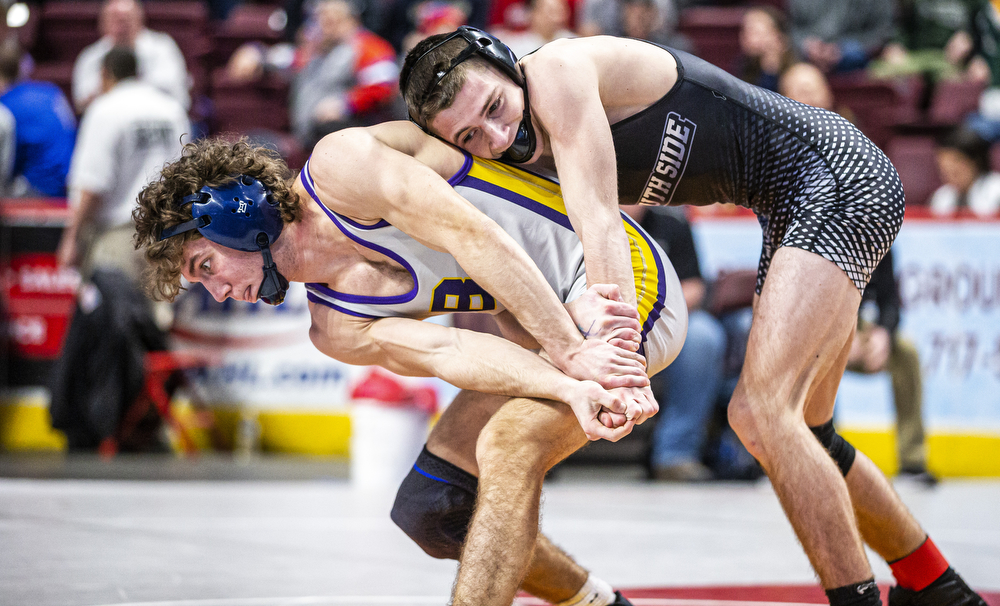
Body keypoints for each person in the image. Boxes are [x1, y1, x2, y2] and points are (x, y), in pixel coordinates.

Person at [400, 27, 988, 606]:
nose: (498, 136)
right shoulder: (516, 149)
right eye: (471, 135)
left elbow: (600, 221)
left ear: (507, 65)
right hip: (788, 201)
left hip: (832, 172)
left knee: (761, 414)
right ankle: (939, 587)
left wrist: (620, 360)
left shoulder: (557, 73)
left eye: (496, 108)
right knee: (804, 431)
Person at [134, 123, 687, 606]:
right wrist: (567, 385)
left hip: (614, 279)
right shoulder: (334, 328)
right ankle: (597, 602)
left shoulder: (340, 171)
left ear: (236, 213)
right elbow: (451, 352)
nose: (220, 292)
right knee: (433, 509)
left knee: (507, 446)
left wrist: (569, 355)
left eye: (206, 265)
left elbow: (475, 236)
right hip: (552, 324)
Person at [58, 46, 190, 284]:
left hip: (119, 237)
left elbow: (93, 182)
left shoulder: (104, 109)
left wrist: (72, 238)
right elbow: (186, 174)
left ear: (104, 74)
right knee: (158, 318)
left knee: (116, 318)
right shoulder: (172, 110)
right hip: (167, 233)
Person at [622, 204, 724, 482]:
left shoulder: (671, 224)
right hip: (594, 321)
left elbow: (693, 286)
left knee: (704, 336)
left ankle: (674, 455)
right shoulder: (574, 215)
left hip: (657, 323)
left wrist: (649, 311)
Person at [846, 249, 936, 484]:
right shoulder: (827, 230)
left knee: (906, 353)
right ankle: (815, 454)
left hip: (864, 328)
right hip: (825, 324)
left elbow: (891, 301)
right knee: (811, 362)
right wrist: (844, 331)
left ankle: (912, 460)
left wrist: (884, 332)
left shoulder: (880, 239)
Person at [289, 0, 400, 148]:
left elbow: (383, 86)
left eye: (330, 20)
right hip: (308, 135)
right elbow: (289, 62)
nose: (323, 26)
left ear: (350, 19)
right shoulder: (318, 46)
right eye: (320, 19)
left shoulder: (368, 46)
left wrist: (345, 103)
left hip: (349, 133)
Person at [72, 0, 190, 114]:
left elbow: (174, 94)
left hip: (156, 120)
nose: (122, 26)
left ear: (140, 19)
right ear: (103, 23)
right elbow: (82, 102)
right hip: (111, 122)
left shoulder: (162, 48)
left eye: (126, 19)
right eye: (116, 19)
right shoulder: (91, 56)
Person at [0, 40, 76, 198]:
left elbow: (7, 162)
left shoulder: (6, 106)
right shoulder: (51, 91)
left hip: (38, 188)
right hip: (71, 182)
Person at [787, 0, 895, 73]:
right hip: (807, 65)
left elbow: (882, 32)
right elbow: (790, 26)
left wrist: (843, 49)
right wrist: (806, 45)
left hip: (860, 67)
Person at [929, 125, 1000, 217]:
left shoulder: (997, 189)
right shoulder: (941, 198)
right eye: (945, 172)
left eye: (956, 172)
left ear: (975, 161)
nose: (950, 176)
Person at [736, 5, 796, 92]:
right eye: (743, 30)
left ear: (778, 36)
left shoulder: (797, 73)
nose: (745, 37)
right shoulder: (744, 64)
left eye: (754, 31)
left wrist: (770, 67)